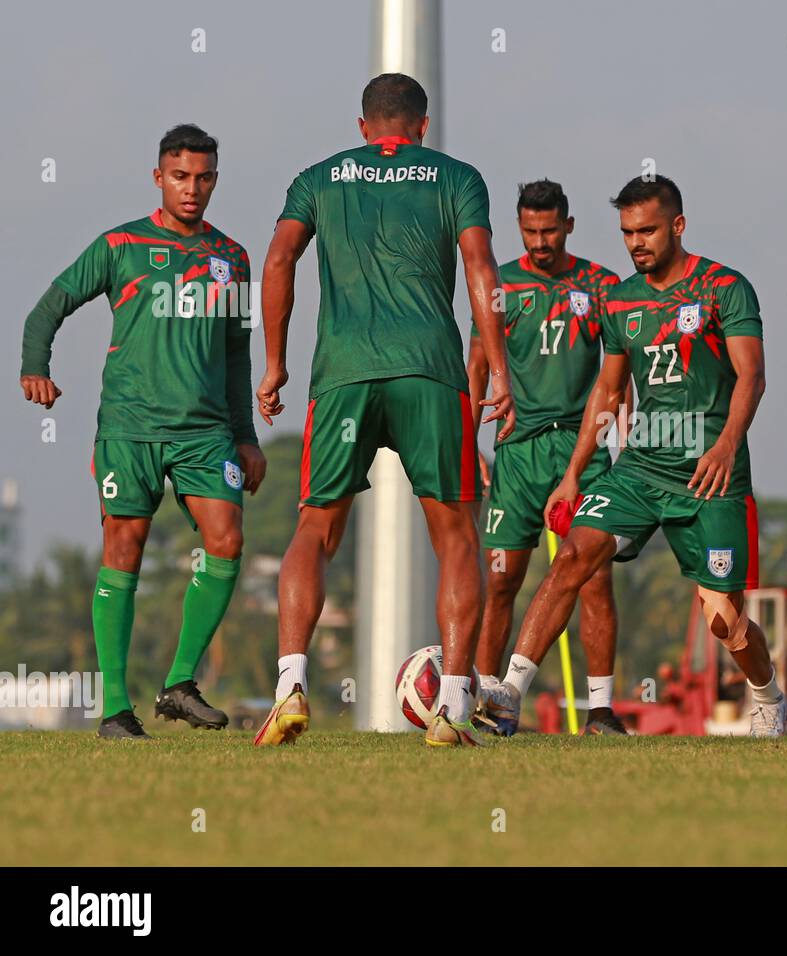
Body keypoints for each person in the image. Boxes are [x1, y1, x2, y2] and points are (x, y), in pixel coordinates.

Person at [253, 73, 514, 747]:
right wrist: (501, 370)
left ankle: (288, 691)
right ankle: (453, 706)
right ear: (423, 126)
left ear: (364, 126)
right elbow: (483, 270)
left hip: (342, 375)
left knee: (315, 530)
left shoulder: (318, 178)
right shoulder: (457, 177)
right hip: (430, 371)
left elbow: (278, 258)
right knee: (455, 532)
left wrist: (275, 362)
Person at [479, 174, 787, 737]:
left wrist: (725, 444)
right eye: (626, 233)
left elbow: (753, 376)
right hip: (640, 468)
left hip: (709, 478)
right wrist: (574, 475)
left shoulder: (725, 288)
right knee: (573, 556)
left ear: (678, 225)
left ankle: (768, 696)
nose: (636, 242)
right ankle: (508, 694)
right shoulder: (621, 300)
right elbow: (608, 389)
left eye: (646, 230)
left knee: (723, 619)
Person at [18, 124, 264, 739]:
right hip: (129, 429)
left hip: (206, 433)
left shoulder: (234, 259)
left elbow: (238, 356)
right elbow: (48, 307)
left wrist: (248, 434)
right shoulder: (121, 245)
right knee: (123, 550)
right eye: (180, 176)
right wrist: (35, 368)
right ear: (159, 177)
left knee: (227, 538)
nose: (192, 189)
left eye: (204, 177)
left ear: (215, 180)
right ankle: (114, 712)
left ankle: (180, 682)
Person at [468, 179, 625, 736]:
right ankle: (489, 701)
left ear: (569, 226)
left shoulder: (602, 285)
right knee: (502, 578)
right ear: (520, 228)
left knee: (594, 578)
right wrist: (470, 447)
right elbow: (478, 366)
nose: (540, 241)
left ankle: (601, 710)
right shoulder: (501, 286)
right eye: (531, 231)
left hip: (581, 453)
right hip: (517, 451)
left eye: (550, 230)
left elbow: (619, 370)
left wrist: (621, 435)